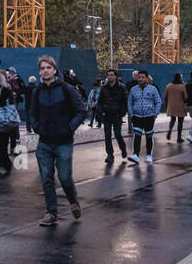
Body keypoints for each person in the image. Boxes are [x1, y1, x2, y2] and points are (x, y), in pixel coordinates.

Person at [32, 55, 85, 226]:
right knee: (46, 179)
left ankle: (73, 201)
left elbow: (81, 110)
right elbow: (32, 113)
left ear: (54, 70)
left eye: (48, 67)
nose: (45, 71)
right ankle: (51, 213)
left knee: (64, 177)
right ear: (39, 71)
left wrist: (70, 127)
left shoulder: (67, 89)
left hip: (63, 142)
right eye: (42, 68)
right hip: (44, 142)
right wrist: (36, 126)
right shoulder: (37, 91)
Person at [127, 70, 162, 164]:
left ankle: (149, 155)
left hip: (149, 116)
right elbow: (129, 102)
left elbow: (158, 101)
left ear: (146, 78)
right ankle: (135, 155)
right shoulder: (133, 89)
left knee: (149, 136)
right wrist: (131, 114)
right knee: (137, 135)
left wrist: (155, 113)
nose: (140, 79)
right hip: (137, 116)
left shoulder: (153, 89)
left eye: (142, 77)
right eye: (139, 77)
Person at [97, 69, 128, 163]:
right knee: (107, 135)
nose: (110, 76)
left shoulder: (121, 87)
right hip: (106, 115)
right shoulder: (104, 87)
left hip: (117, 115)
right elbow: (100, 101)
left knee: (118, 134)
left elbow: (125, 101)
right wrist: (101, 111)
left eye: (111, 75)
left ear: (115, 76)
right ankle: (110, 155)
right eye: (108, 75)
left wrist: (121, 113)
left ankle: (123, 148)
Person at [164, 73, 188, 144]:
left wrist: (166, 106)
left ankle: (170, 130)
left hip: (171, 106)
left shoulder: (169, 86)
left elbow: (165, 97)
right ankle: (179, 138)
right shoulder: (183, 86)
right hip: (180, 106)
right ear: (180, 78)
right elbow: (185, 97)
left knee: (172, 119)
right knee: (180, 122)